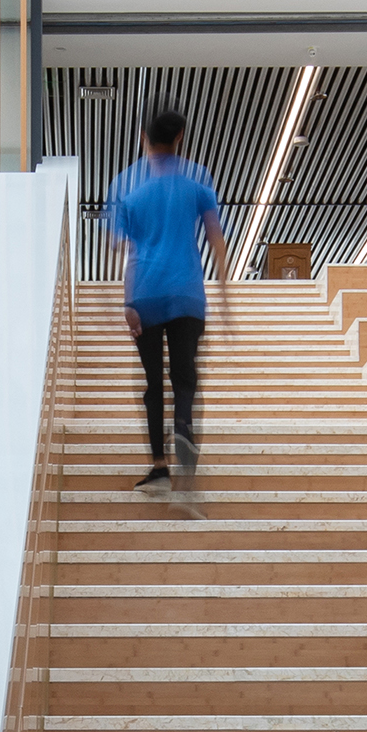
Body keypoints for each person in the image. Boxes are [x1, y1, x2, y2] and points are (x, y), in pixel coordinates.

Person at [106, 108, 230, 505]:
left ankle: (159, 467)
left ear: (144, 137)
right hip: (187, 293)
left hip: (144, 293)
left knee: (151, 383)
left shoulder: (127, 185)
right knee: (186, 380)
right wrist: (225, 297)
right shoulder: (198, 179)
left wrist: (126, 302)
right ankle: (185, 456)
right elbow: (216, 240)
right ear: (180, 136)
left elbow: (118, 248)